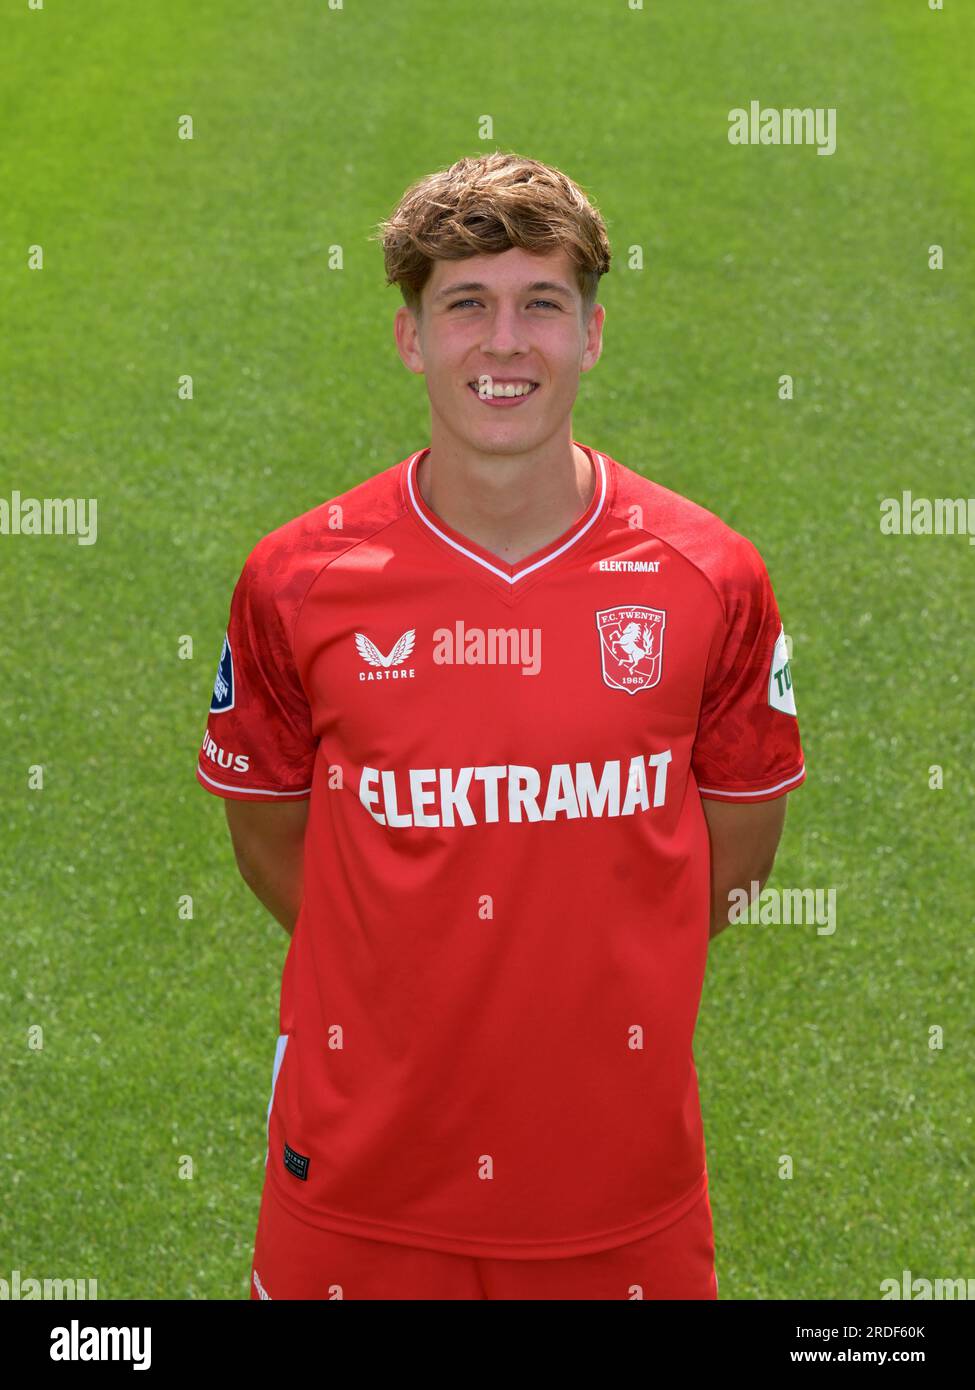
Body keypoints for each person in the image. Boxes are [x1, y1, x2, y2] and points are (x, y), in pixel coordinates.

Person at [196, 152, 806, 1300]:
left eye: (542, 305)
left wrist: (585, 959)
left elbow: (734, 862)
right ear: (411, 339)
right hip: (360, 1179)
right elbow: (275, 839)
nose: (505, 343)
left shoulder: (710, 577)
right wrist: (405, 966)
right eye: (465, 305)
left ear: (593, 334)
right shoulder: (297, 578)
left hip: (619, 1187)